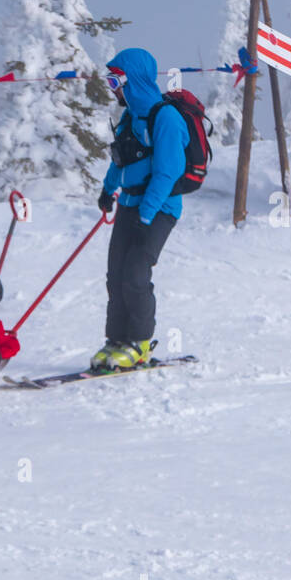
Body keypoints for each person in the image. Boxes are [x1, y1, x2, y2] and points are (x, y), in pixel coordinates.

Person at [93, 47, 188, 371]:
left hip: (159, 209)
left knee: (135, 275)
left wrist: (147, 215)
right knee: (116, 274)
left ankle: (140, 343)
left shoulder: (166, 118)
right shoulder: (130, 117)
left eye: (115, 79)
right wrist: (108, 190)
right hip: (131, 204)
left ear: (133, 80)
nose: (112, 87)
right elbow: (120, 159)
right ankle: (117, 340)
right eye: (109, 80)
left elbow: (168, 171)